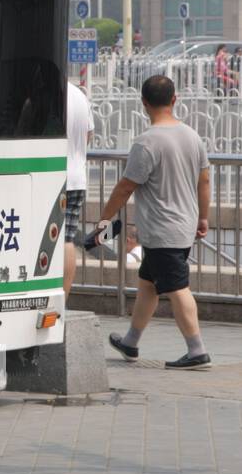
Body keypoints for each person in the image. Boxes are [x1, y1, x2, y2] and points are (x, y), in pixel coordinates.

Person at [98, 75, 212, 370]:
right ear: (175, 100)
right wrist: (203, 216)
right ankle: (131, 342)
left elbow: (126, 186)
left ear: (144, 103)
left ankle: (197, 350)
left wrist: (104, 218)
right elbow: (204, 180)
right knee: (148, 283)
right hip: (182, 225)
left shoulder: (146, 143)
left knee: (177, 288)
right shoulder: (191, 135)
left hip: (162, 230)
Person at [63, 80, 94, 301]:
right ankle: (63, 298)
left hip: (51, 177)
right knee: (67, 239)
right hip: (77, 177)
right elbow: (88, 135)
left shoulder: (44, 92)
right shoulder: (79, 95)